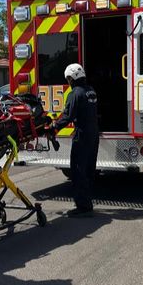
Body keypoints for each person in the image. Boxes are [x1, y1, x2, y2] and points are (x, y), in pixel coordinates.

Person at [52, 63, 99, 217]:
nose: (68, 82)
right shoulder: (90, 91)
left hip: (83, 134)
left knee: (78, 170)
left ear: (71, 78)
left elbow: (68, 116)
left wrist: (54, 127)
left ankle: (83, 206)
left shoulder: (75, 93)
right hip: (93, 134)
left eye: (68, 79)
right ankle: (87, 200)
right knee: (88, 169)